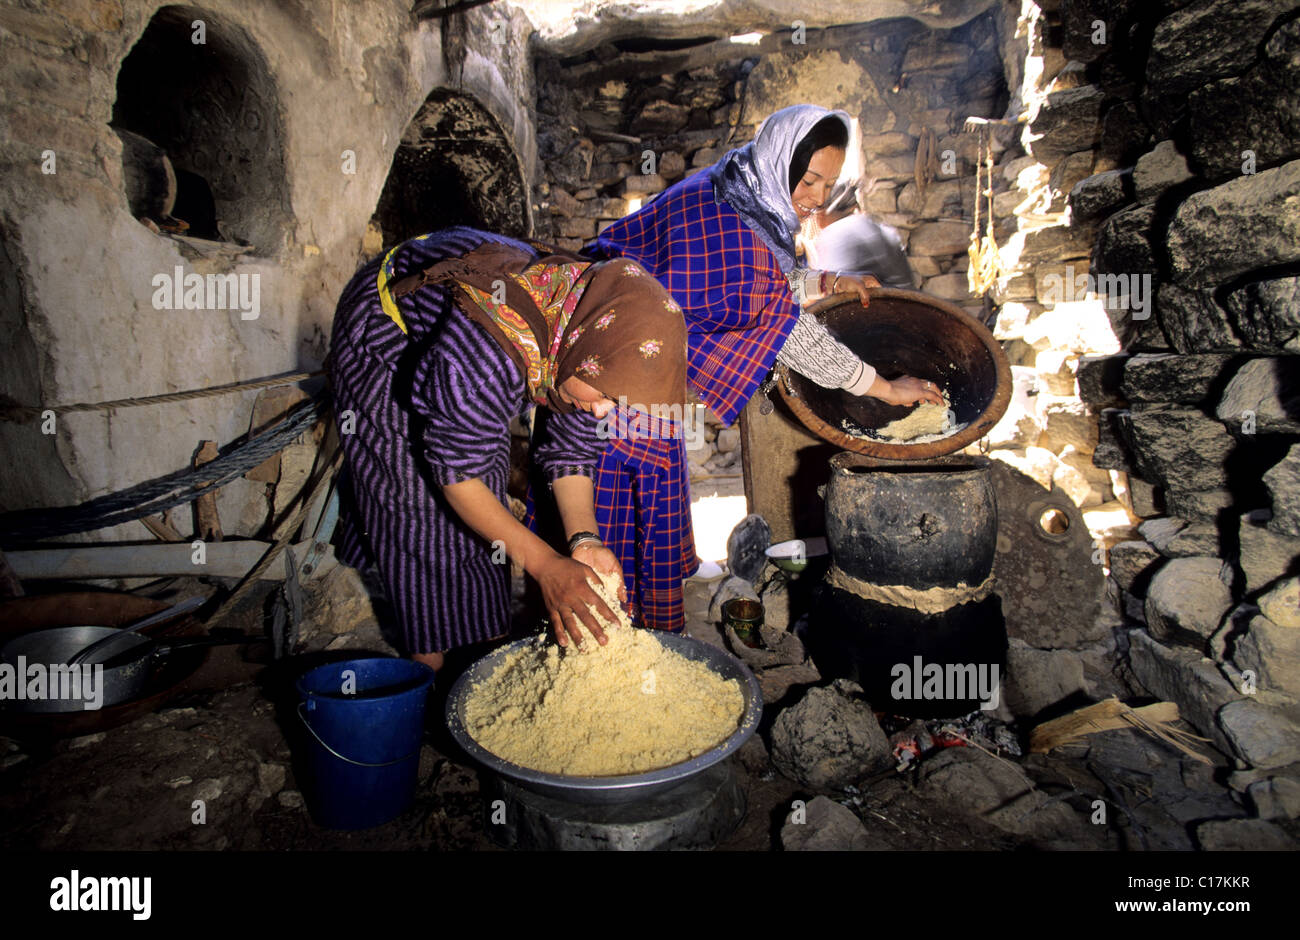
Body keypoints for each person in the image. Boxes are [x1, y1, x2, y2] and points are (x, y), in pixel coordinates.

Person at [577, 104, 943, 633]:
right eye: (810, 179)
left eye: (829, 183)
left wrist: (826, 283)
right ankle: (615, 642)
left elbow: (764, 281)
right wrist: (883, 386)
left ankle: (649, 615)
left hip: (637, 363)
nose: (817, 198)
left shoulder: (737, 183)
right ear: (782, 158)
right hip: (609, 376)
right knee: (611, 519)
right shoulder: (728, 220)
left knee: (656, 471)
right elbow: (786, 328)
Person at [327, 226, 687, 672]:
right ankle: (426, 674)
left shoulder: (588, 334)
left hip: (466, 355)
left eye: (615, 405)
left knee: (489, 511)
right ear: (582, 349)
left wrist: (584, 541)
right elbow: (457, 473)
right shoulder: (482, 359)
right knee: (413, 500)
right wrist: (544, 566)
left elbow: (569, 451)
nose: (601, 413)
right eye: (604, 397)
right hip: (382, 331)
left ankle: (482, 653)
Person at [802, 178, 918, 290]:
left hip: (880, 305)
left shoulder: (837, 234)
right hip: (907, 303)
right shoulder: (874, 226)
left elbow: (830, 287)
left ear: (821, 213)